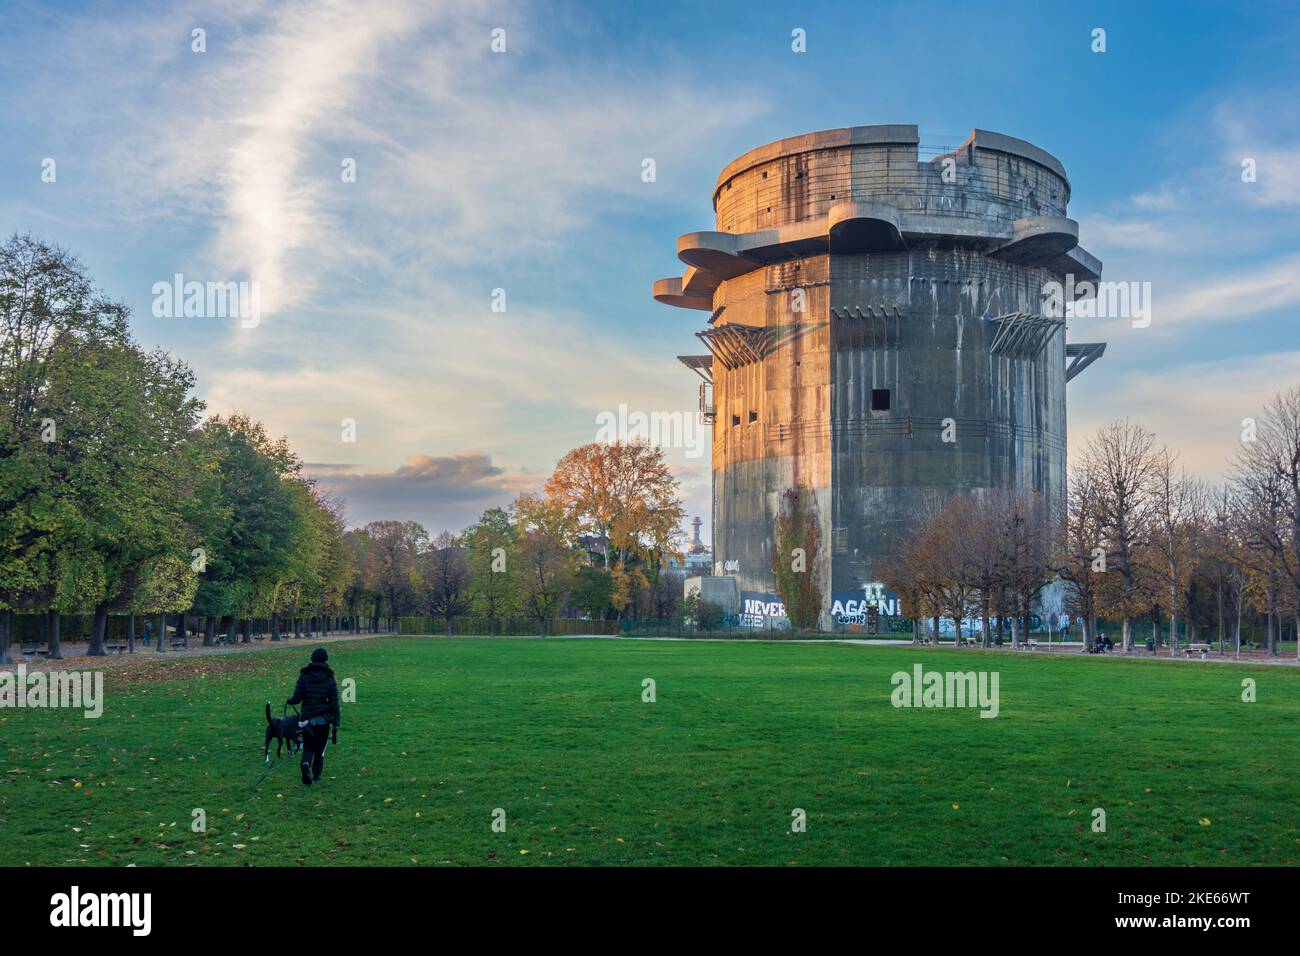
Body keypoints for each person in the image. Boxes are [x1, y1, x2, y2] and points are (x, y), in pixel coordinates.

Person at [286, 647, 340, 786]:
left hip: (306, 719)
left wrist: (289, 701)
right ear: (325, 660)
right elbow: (334, 702)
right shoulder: (329, 677)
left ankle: (305, 764)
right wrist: (336, 723)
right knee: (320, 748)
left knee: (309, 746)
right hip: (323, 719)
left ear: (312, 659)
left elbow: (297, 698)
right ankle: (316, 774)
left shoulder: (304, 675)